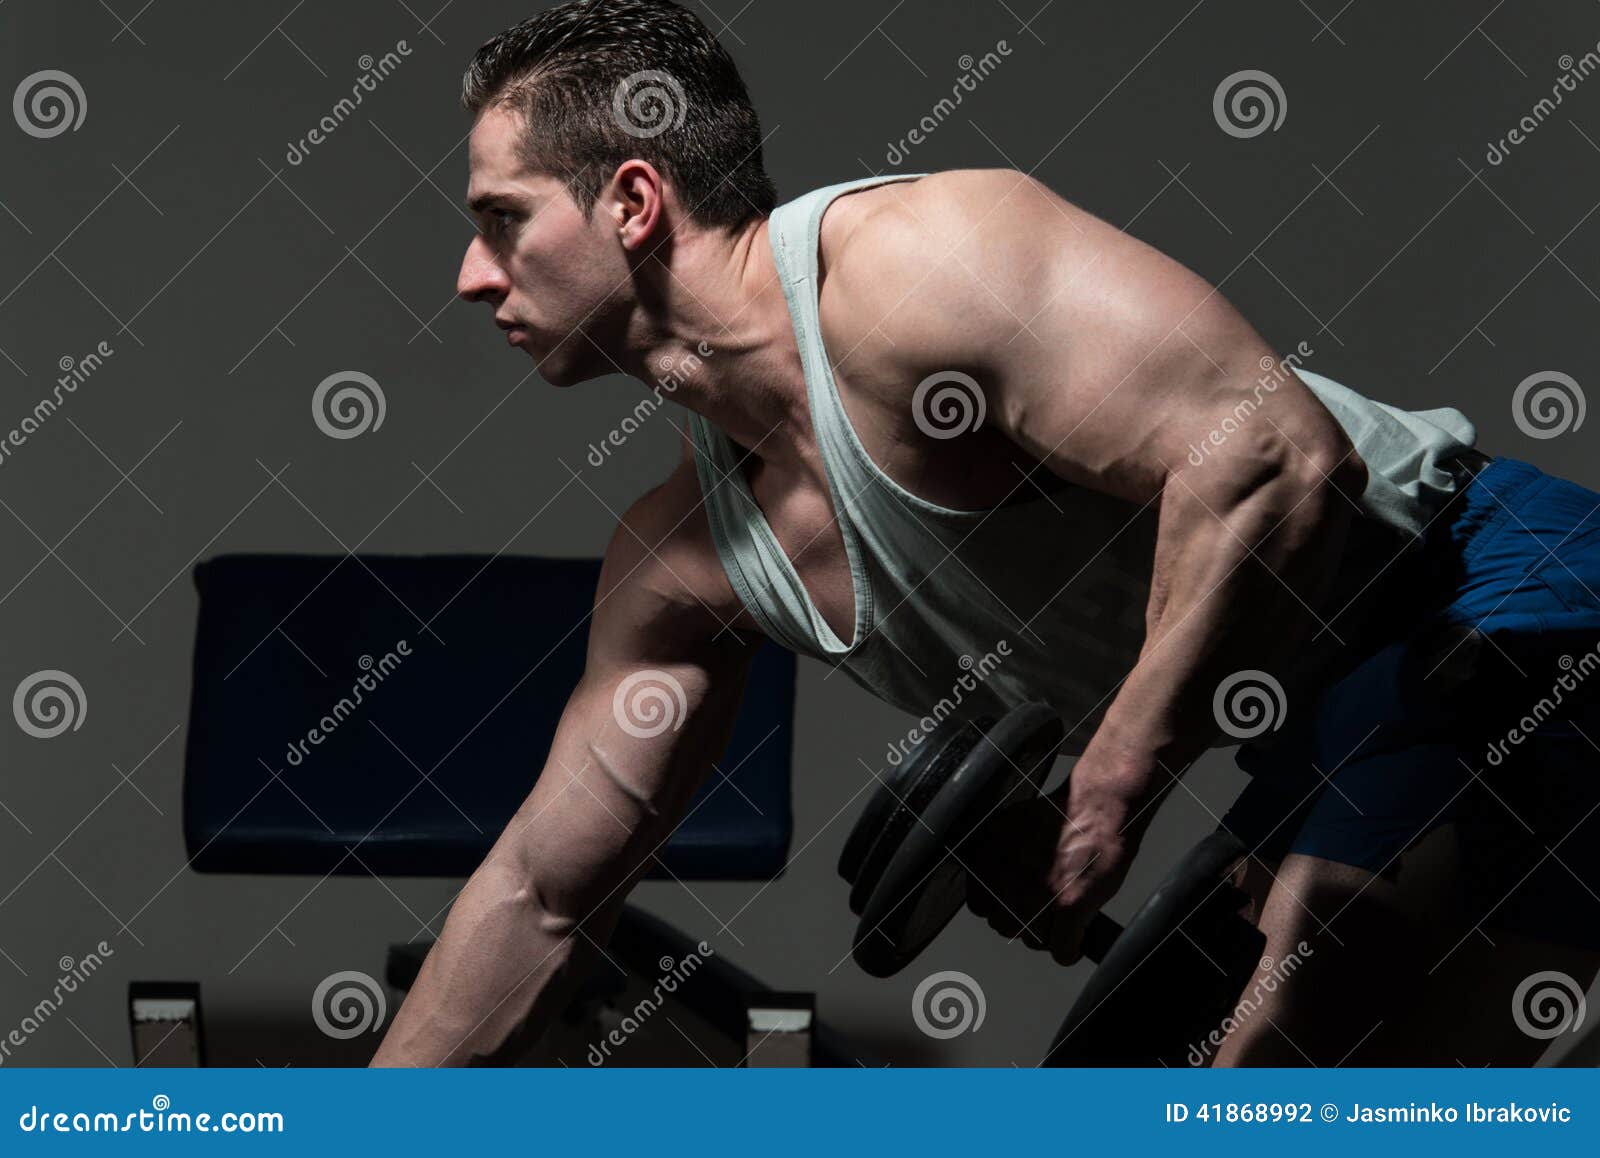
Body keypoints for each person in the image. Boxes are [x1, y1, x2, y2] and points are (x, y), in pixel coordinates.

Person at [371, 0, 1600, 1066]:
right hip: (1320, 729)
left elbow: (1273, 460)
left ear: (633, 200)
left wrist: (1113, 781)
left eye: (503, 219)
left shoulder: (916, 266)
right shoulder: (687, 560)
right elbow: (538, 894)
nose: (475, 277)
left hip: (1498, 605)